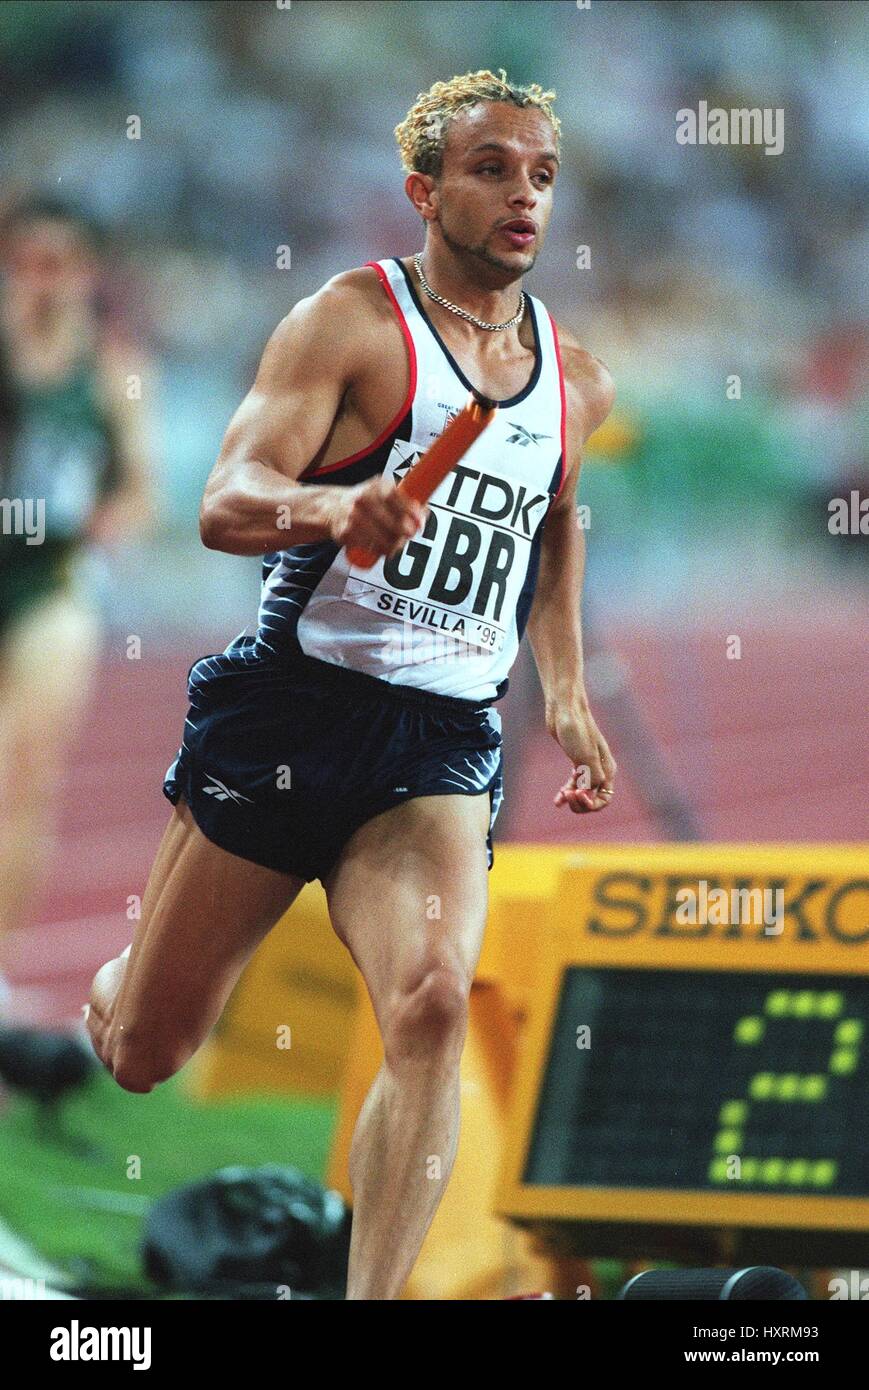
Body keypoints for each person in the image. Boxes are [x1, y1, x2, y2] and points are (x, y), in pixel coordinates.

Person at [86, 69, 617, 1299]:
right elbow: (225, 503)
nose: (522, 195)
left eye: (539, 174)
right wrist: (333, 502)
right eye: (490, 169)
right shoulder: (349, 322)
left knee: (431, 1001)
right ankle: (118, 984)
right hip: (292, 709)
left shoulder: (574, 378)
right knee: (142, 1052)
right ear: (422, 188)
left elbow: (554, 528)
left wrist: (568, 686)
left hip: (436, 743)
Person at [0, 194, 155, 1021]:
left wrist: (104, 531)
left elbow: (139, 484)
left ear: (89, 275)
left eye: (59, 264)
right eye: (26, 262)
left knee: (25, 774)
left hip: (49, 581)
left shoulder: (113, 369)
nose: (41, 281)